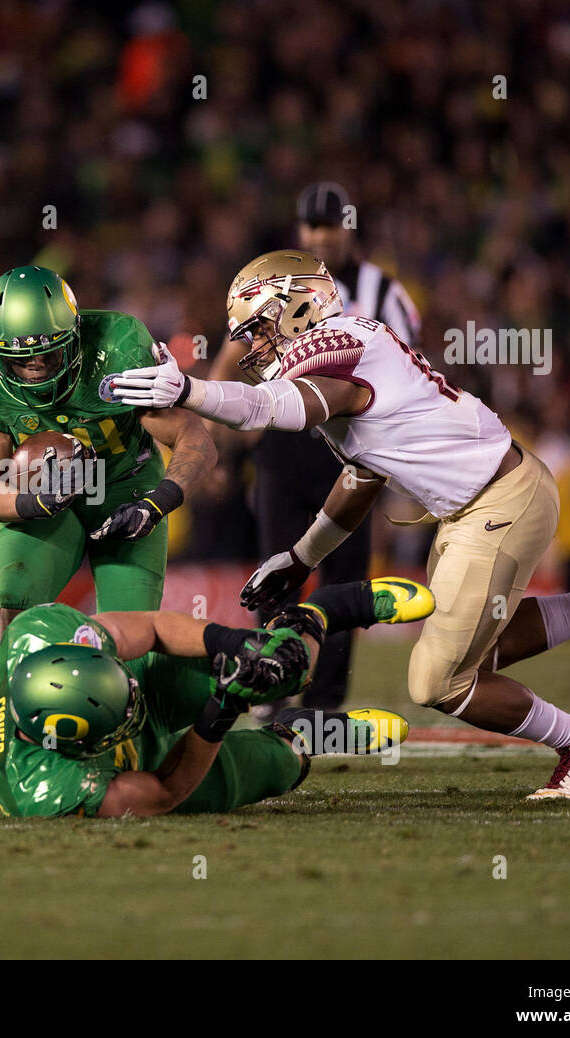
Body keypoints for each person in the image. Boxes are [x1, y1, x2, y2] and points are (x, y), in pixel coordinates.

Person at [107, 249, 570, 799]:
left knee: (436, 682)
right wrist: (301, 558)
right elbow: (361, 477)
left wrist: (190, 390)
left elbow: (270, 409)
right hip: (479, 504)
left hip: (500, 501)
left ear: (297, 307)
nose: (255, 346)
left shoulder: (335, 343)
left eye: (260, 327)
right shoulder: (340, 350)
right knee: (476, 653)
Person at [206, 181, 421, 710]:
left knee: (344, 580)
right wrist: (213, 439)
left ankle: (324, 704)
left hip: (349, 451)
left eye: (332, 225)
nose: (322, 236)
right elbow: (235, 353)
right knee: (277, 568)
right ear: (300, 229)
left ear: (350, 228)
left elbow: (408, 372)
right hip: (285, 444)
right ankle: (271, 682)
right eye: (313, 225)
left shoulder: (384, 291)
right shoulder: (281, 279)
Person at [0, 576, 433, 818]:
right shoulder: (50, 792)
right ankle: (306, 735)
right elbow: (164, 792)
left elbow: (153, 627)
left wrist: (232, 644)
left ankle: (323, 610)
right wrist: (222, 710)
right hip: (142, 767)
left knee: (269, 664)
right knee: (282, 762)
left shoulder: (45, 633)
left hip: (135, 684)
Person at [0, 265, 215, 637]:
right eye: (20, 358)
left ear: (75, 337)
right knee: (17, 594)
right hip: (45, 488)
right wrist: (35, 502)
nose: (35, 369)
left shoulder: (117, 349)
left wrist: (157, 504)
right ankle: (6, 694)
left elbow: (194, 438)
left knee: (129, 634)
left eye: (49, 354)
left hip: (125, 483)